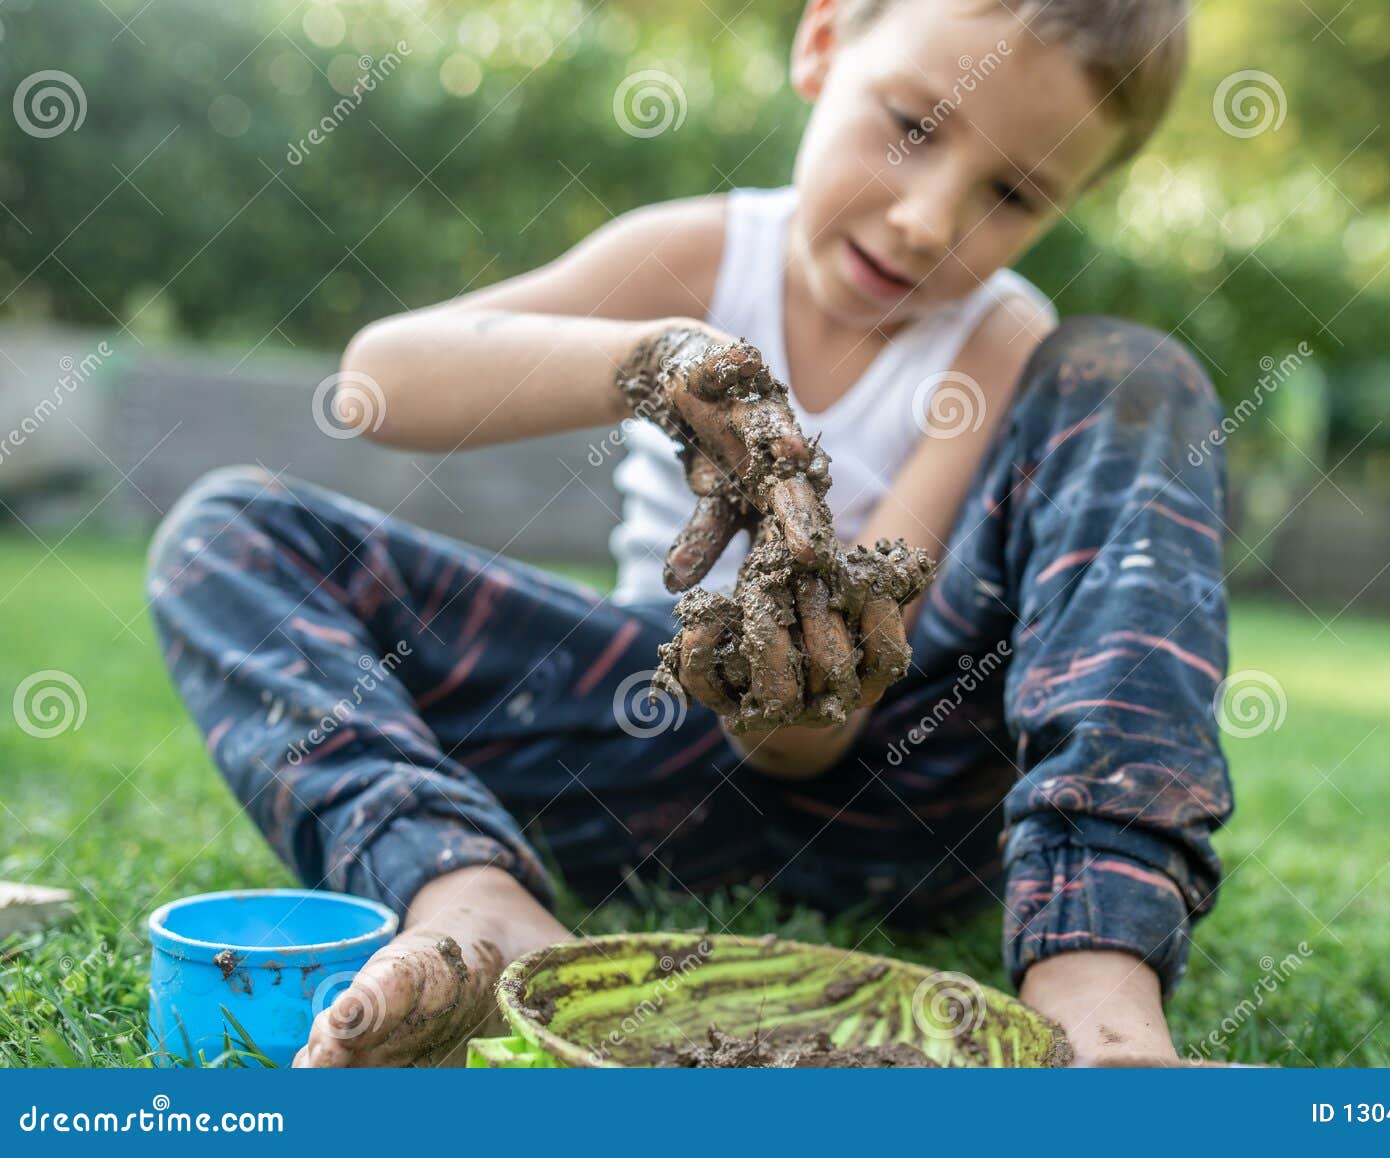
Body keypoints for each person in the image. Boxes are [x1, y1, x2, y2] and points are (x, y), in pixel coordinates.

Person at [148, 0, 1232, 1067]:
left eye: (1012, 192)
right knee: (228, 534)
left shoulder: (998, 341)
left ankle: (1097, 995)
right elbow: (377, 384)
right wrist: (654, 363)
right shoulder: (704, 257)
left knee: (1129, 377)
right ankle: (471, 897)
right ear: (820, 44)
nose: (927, 220)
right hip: (626, 757)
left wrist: (784, 630)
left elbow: (819, 734)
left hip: (903, 795)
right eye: (912, 126)